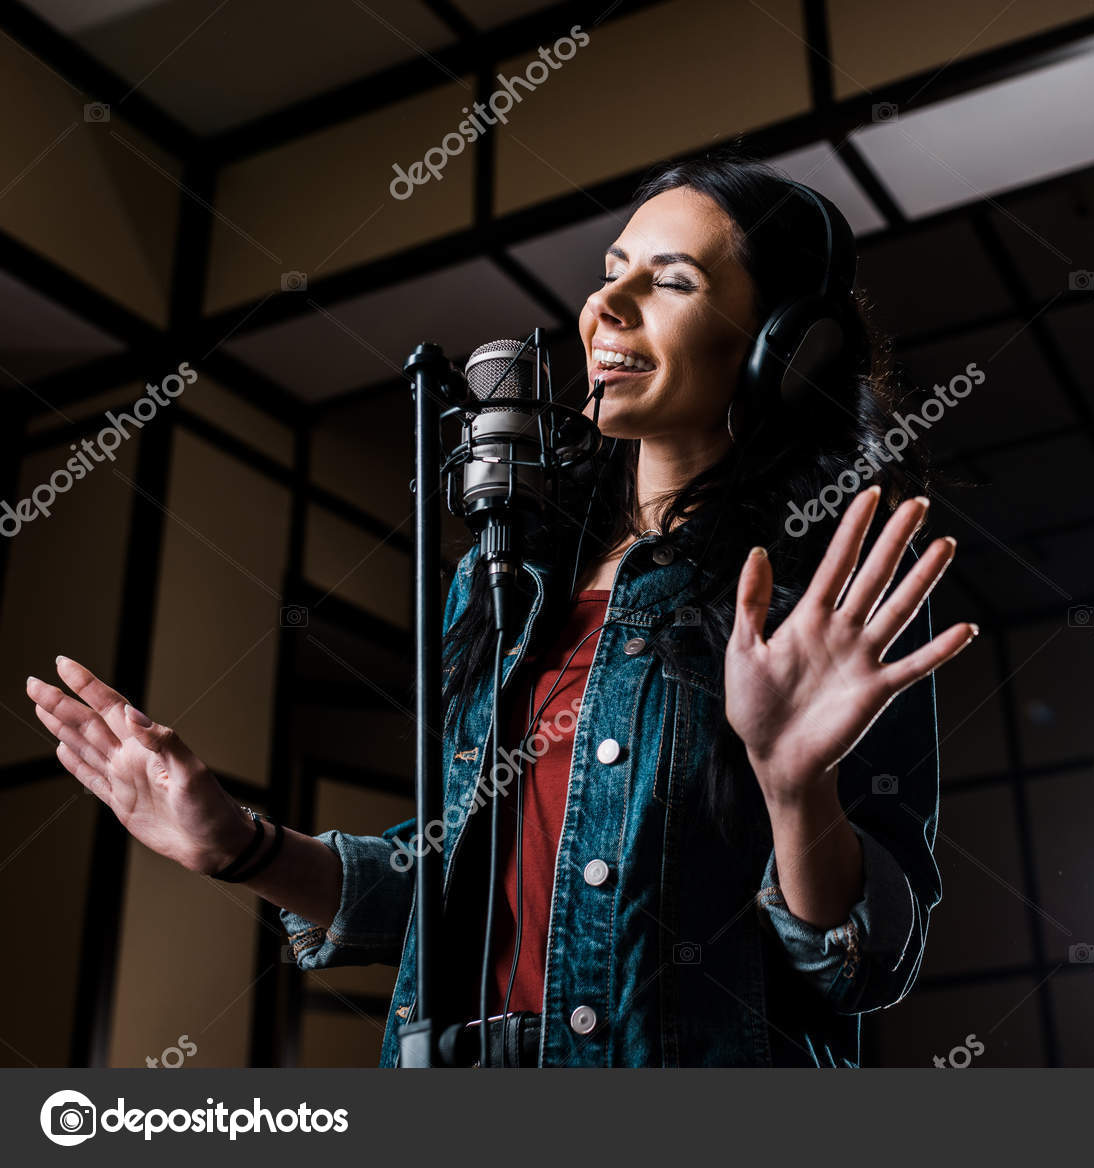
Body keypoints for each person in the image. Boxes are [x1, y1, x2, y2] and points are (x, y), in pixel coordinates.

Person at [26, 152, 978, 1067]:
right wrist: (239, 844)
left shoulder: (833, 601)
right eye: (611, 274)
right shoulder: (509, 578)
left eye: (672, 281)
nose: (605, 305)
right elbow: (463, 888)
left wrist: (791, 781)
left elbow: (863, 962)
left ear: (787, 345)